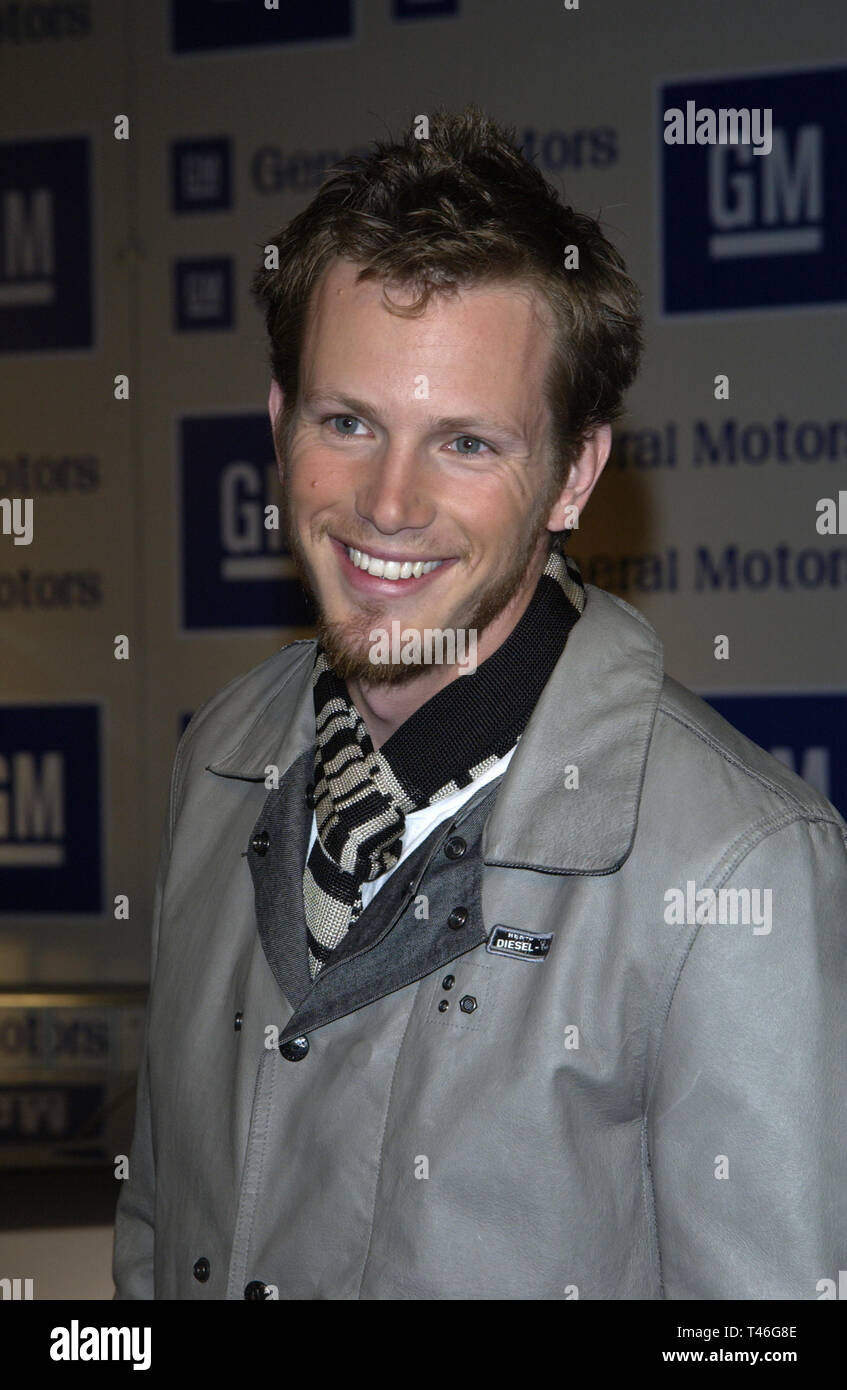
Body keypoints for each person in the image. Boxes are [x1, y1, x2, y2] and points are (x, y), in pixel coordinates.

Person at [113, 105, 846, 1300]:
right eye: (346, 422)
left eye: (464, 443)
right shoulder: (219, 768)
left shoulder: (739, 867)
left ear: (572, 476)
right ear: (277, 425)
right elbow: (155, 1230)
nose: (386, 502)